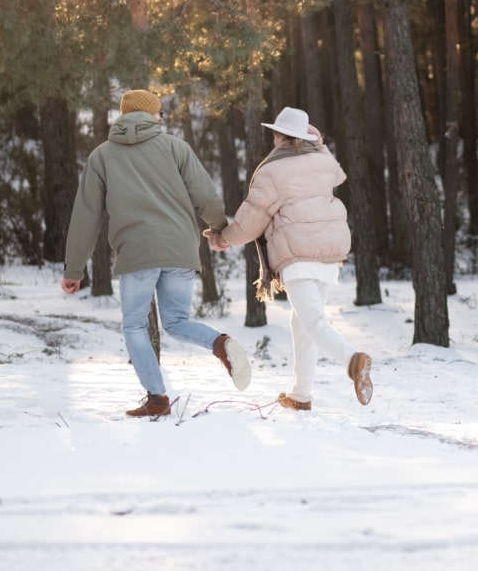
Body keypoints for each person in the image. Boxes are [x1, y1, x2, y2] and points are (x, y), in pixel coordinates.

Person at [63, 88, 252, 417]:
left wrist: (74, 269)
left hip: (136, 252)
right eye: (159, 111)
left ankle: (157, 399)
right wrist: (220, 228)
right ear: (150, 114)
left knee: (135, 326)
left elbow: (86, 215)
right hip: (180, 248)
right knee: (177, 321)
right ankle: (220, 344)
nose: (162, 116)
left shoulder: (102, 156)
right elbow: (205, 196)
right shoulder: (175, 147)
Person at [209, 106, 373, 411]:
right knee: (303, 322)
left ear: (278, 136)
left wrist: (222, 238)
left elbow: (250, 222)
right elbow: (335, 168)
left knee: (313, 322)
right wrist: (320, 142)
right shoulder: (322, 161)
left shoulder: (272, 170)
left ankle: (353, 360)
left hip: (297, 256)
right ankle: (301, 395)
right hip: (327, 255)